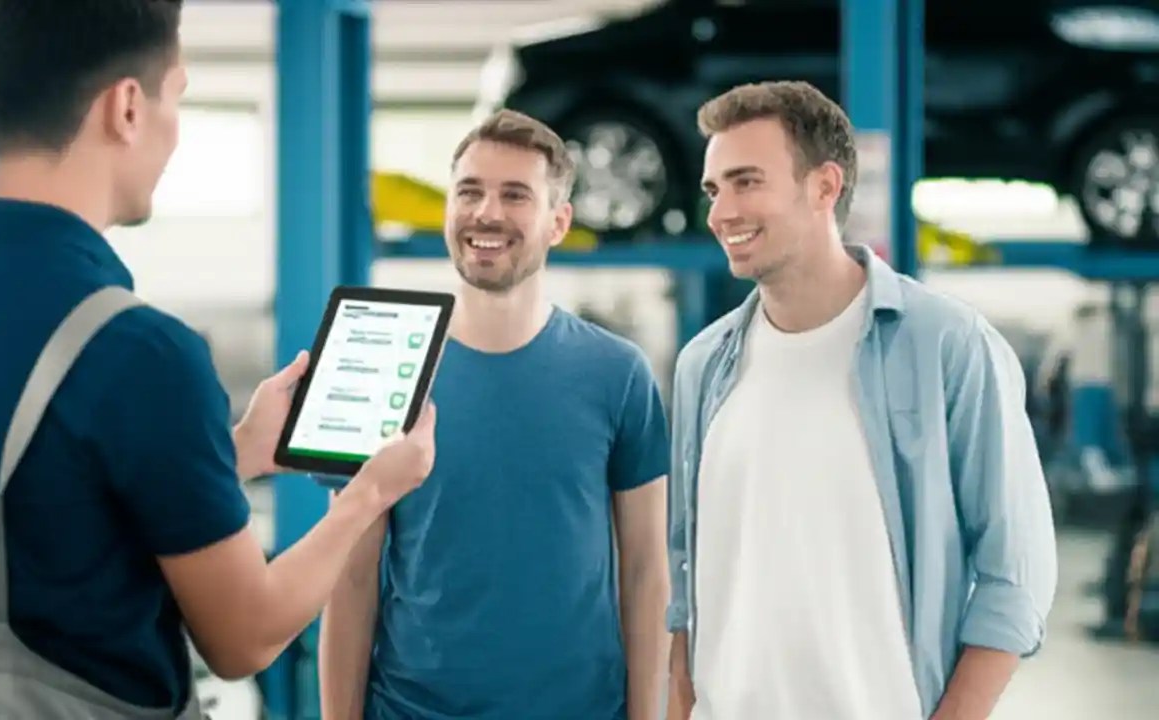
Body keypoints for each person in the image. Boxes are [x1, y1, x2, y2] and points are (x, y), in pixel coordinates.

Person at [0, 2, 434, 718]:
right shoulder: (142, 353)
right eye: (178, 95)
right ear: (129, 108)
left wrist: (231, 455)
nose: (176, 132)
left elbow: (40, 520)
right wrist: (371, 493)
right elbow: (246, 636)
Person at [663, 80, 1058, 720]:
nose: (719, 213)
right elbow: (685, 579)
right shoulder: (703, 365)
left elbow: (1015, 575)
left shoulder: (946, 345)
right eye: (714, 189)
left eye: (746, 182)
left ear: (824, 185)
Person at [318, 109, 672, 720]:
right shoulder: (381, 365)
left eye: (515, 195)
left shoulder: (618, 375)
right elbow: (350, 581)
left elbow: (645, 574)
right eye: (470, 192)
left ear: (559, 222)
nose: (487, 213)